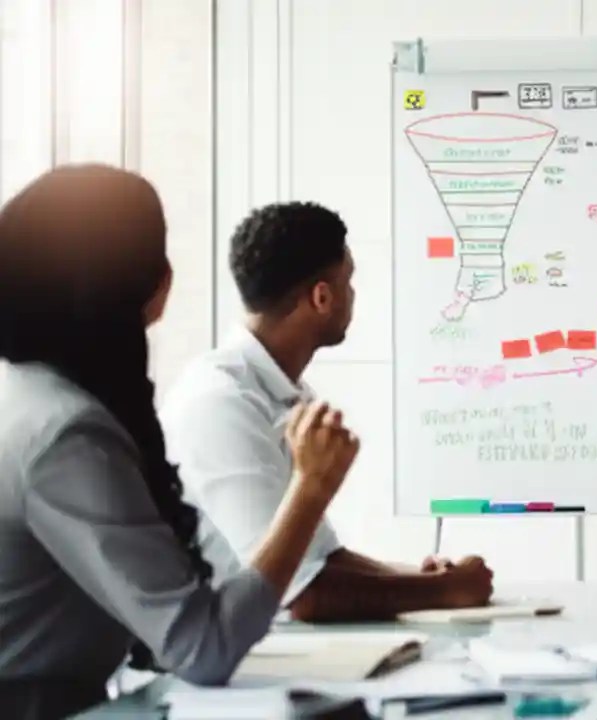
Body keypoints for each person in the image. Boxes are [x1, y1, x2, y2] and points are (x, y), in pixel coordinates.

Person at [0, 166, 358, 718]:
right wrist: (310, 489)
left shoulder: (26, 397)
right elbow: (202, 646)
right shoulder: (68, 434)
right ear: (155, 286)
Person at [160, 201, 493, 623]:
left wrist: (418, 576)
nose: (353, 293)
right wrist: (446, 591)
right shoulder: (219, 404)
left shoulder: (284, 393)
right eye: (349, 280)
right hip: (238, 669)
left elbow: (322, 559)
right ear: (322, 296)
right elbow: (302, 596)